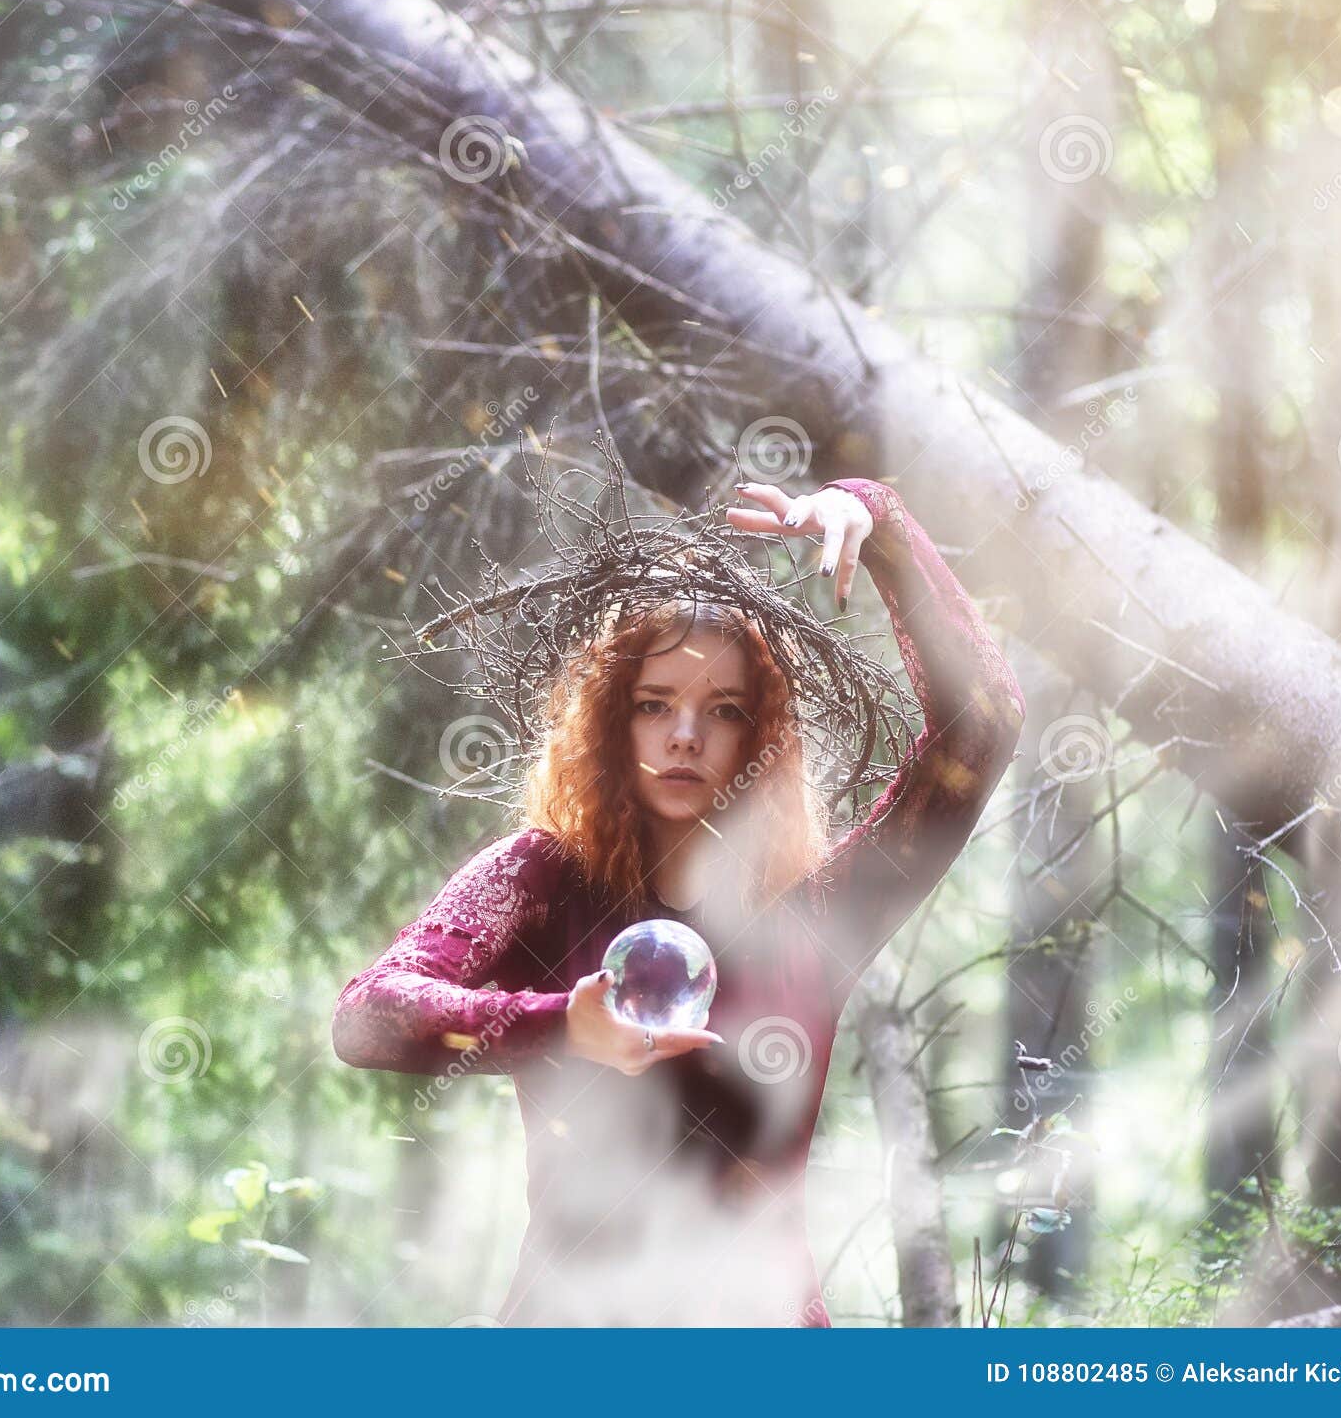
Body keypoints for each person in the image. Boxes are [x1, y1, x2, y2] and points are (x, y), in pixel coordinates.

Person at [332, 477, 1026, 1326]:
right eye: (653, 704)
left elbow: (985, 721)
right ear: (609, 723)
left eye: (722, 709)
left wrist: (877, 515)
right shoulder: (538, 880)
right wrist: (559, 1025)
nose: (685, 734)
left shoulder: (818, 918)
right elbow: (368, 1014)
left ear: (759, 737)